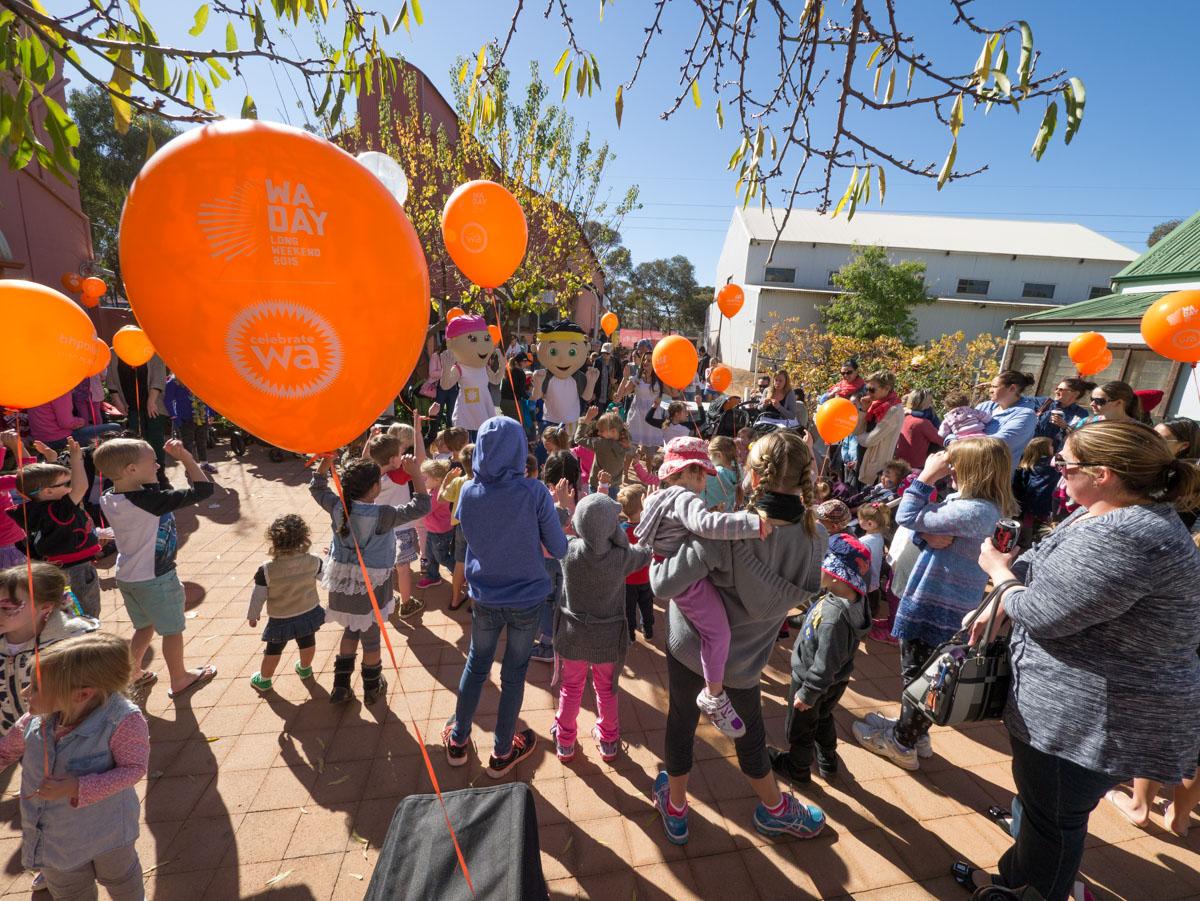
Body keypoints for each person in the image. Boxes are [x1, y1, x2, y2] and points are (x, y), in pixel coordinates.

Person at [954, 421, 1200, 899]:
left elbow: (1043, 613)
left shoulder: (1126, 536)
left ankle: (1034, 892)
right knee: (1046, 812)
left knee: (1054, 822)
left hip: (1091, 722)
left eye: (1064, 464)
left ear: (1103, 473)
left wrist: (999, 577)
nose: (1055, 470)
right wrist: (1005, 591)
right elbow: (1046, 560)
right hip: (1085, 712)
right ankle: (1014, 880)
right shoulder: (1108, 512)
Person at [650, 431, 826, 842]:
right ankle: (775, 809)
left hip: (691, 647)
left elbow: (663, 585)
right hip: (746, 661)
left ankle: (675, 807)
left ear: (751, 474)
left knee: (681, 721)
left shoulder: (722, 536)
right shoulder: (817, 541)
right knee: (750, 736)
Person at [853, 438, 1012, 771]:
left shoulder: (972, 510)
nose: (949, 470)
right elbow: (921, 527)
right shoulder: (980, 507)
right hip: (949, 603)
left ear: (974, 471)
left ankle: (902, 743)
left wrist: (925, 477)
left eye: (956, 466)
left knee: (919, 678)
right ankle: (913, 732)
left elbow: (907, 514)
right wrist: (923, 535)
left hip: (934, 605)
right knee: (926, 675)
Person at [443, 416, 569, 778]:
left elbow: (473, 531)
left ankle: (458, 740)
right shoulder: (534, 492)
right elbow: (558, 547)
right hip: (527, 597)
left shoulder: (468, 491)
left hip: (485, 595)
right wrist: (556, 515)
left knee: (476, 664)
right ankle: (502, 752)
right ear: (519, 451)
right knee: (514, 674)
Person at [635, 436, 768, 738]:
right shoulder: (686, 498)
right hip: (688, 583)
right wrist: (751, 523)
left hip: (673, 571)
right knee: (718, 633)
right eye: (699, 473)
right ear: (685, 473)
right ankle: (714, 695)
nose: (702, 481)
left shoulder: (659, 496)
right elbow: (706, 526)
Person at [0, 632, 148, 899]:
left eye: (35, 687)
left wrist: (77, 787)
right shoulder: (34, 720)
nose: (24, 692)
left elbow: (133, 769)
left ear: (81, 695)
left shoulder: (123, 721)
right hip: (55, 840)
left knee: (122, 882)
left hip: (110, 834)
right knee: (70, 893)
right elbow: (5, 752)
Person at [94, 437, 217, 700]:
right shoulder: (150, 502)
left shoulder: (108, 496)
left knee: (144, 626)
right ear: (131, 470)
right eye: (153, 462)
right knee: (172, 631)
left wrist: (149, 462)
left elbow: (148, 486)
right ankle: (180, 678)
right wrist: (184, 456)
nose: (159, 466)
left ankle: (133, 673)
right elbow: (204, 490)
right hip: (156, 578)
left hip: (128, 576)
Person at [310, 454, 429, 705]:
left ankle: (341, 685)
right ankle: (372, 686)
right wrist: (416, 475)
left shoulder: (338, 507)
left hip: (343, 588)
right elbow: (421, 506)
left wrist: (323, 464)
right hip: (371, 590)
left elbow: (318, 487)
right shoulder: (383, 515)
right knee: (371, 637)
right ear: (374, 487)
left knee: (351, 629)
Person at [550, 493, 652, 763]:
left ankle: (565, 741)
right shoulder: (622, 557)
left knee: (570, 688)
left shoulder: (568, 550)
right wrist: (649, 513)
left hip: (573, 637)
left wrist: (566, 507)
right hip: (607, 640)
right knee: (606, 689)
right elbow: (646, 551)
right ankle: (608, 740)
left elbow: (558, 531)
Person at [769, 534, 871, 785]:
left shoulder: (834, 617)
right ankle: (827, 759)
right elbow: (812, 620)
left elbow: (825, 662)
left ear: (836, 575)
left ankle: (797, 768)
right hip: (835, 683)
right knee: (824, 717)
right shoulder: (848, 599)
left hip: (810, 681)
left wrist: (807, 693)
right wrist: (793, 622)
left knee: (799, 729)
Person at [7, 439, 102, 618]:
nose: (71, 486)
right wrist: (77, 460)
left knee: (67, 614)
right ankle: (86, 640)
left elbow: (48, 481)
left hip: (57, 570)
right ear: (48, 492)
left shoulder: (36, 508)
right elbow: (81, 486)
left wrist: (52, 459)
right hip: (76, 572)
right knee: (86, 615)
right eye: (67, 484)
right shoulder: (58, 510)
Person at [0, 563, 99, 734]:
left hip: (61, 739)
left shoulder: (70, 645)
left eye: (7, 608)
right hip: (9, 737)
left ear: (45, 607)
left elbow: (96, 696)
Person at [246, 514, 325, 694]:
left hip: (280, 617)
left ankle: (264, 679)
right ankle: (305, 668)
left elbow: (258, 596)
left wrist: (253, 615)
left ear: (274, 540)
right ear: (304, 537)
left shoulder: (267, 569)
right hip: (308, 611)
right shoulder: (314, 561)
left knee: (273, 650)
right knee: (307, 642)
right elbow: (326, 579)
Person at [366, 427, 426, 618]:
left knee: (384, 568)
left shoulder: (370, 475)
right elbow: (422, 461)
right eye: (400, 454)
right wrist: (417, 432)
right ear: (393, 459)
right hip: (400, 527)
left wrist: (370, 439)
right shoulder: (397, 476)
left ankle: (386, 601)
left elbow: (364, 458)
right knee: (403, 570)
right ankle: (407, 604)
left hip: (378, 529)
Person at [972, 370, 1038, 468]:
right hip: (964, 469)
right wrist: (951, 439)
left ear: (1012, 388)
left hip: (992, 477)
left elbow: (996, 444)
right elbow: (958, 427)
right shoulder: (984, 406)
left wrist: (959, 441)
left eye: (994, 387)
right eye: (991, 386)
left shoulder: (1026, 416)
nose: (990, 390)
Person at [853, 371, 905, 486]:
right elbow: (857, 430)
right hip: (863, 457)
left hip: (875, 464)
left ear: (886, 388)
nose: (868, 393)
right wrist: (863, 410)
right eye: (867, 389)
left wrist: (857, 437)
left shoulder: (894, 410)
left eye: (872, 389)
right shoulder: (875, 404)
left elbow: (870, 440)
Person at [440, 443, 475, 611]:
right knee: (477, 562)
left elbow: (441, 498)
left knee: (460, 562)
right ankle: (474, 603)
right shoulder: (484, 481)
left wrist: (447, 480)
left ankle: (455, 599)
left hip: (460, 526)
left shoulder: (459, 481)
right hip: (478, 526)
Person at [618, 484, 654, 642]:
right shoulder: (648, 528)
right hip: (646, 577)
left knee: (629, 609)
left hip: (627, 580)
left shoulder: (621, 531)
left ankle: (630, 635)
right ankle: (648, 629)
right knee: (647, 605)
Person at [163, 375, 217, 474]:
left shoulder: (200, 379)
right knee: (187, 444)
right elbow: (168, 400)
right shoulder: (174, 382)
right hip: (184, 418)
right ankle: (189, 467)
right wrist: (174, 417)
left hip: (202, 416)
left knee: (202, 441)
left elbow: (207, 396)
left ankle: (204, 464)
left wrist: (211, 412)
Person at [575, 407, 633, 496]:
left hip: (597, 485)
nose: (598, 433)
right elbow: (619, 428)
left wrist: (587, 419)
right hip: (614, 485)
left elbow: (578, 439)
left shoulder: (602, 443)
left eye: (601, 431)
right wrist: (615, 416)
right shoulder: (625, 440)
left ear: (613, 431)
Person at [416, 459, 455, 591]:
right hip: (432, 530)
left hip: (441, 532)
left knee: (441, 557)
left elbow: (426, 509)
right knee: (430, 555)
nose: (422, 481)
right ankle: (433, 577)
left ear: (437, 479)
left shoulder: (439, 493)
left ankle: (460, 571)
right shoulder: (432, 489)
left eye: (425, 478)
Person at [1012, 437, 1058, 549]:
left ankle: (1024, 543)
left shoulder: (1025, 466)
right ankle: (1038, 544)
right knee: (1042, 525)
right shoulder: (1054, 466)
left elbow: (1018, 486)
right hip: (1046, 505)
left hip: (1028, 503)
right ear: (1044, 449)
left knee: (1028, 523)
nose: (1053, 448)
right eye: (1051, 446)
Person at [856, 501, 891, 639]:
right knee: (872, 605)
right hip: (875, 579)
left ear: (870, 523)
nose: (858, 521)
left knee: (863, 607)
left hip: (865, 580)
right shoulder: (879, 538)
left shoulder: (864, 541)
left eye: (860, 519)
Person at [615, 351, 662, 451]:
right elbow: (619, 396)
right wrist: (625, 378)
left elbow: (674, 393)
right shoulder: (637, 378)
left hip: (652, 418)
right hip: (636, 416)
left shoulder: (660, 380)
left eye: (649, 360)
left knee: (650, 454)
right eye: (644, 359)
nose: (645, 362)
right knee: (630, 451)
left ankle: (641, 459)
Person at [1033, 377, 1092, 451]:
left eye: (1061, 389)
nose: (1056, 392)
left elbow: (1079, 438)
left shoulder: (1081, 414)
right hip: (1029, 450)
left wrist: (1065, 426)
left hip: (1054, 454)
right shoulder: (1044, 402)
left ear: (1075, 394)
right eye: (1056, 389)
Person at [895, 389, 943, 470]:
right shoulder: (922, 422)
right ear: (924, 402)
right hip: (916, 465)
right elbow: (940, 440)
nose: (931, 403)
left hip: (900, 460)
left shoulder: (903, 416)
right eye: (930, 400)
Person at [1076, 380, 1142, 426]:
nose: (1092, 404)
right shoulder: (1086, 423)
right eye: (1092, 399)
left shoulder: (1138, 429)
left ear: (1119, 402)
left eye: (1099, 401)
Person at [701, 436, 739, 512]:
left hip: (712, 518)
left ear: (719, 455)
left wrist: (701, 453)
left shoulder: (715, 473)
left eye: (709, 454)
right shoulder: (738, 470)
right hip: (729, 515)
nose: (708, 457)